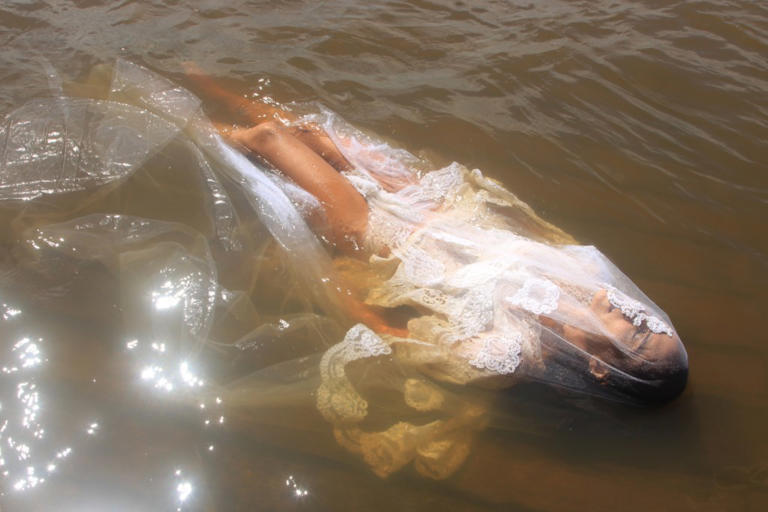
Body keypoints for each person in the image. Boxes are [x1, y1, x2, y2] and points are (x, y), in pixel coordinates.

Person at [183, 64, 689, 478]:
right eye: (652, 321)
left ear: (604, 368)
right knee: (313, 135)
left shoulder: (506, 357)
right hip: (432, 210)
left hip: (379, 235)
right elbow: (514, 231)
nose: (640, 314)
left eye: (640, 336)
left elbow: (392, 336)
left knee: (272, 140)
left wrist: (332, 281)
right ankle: (215, 88)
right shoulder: (578, 285)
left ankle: (180, 122)